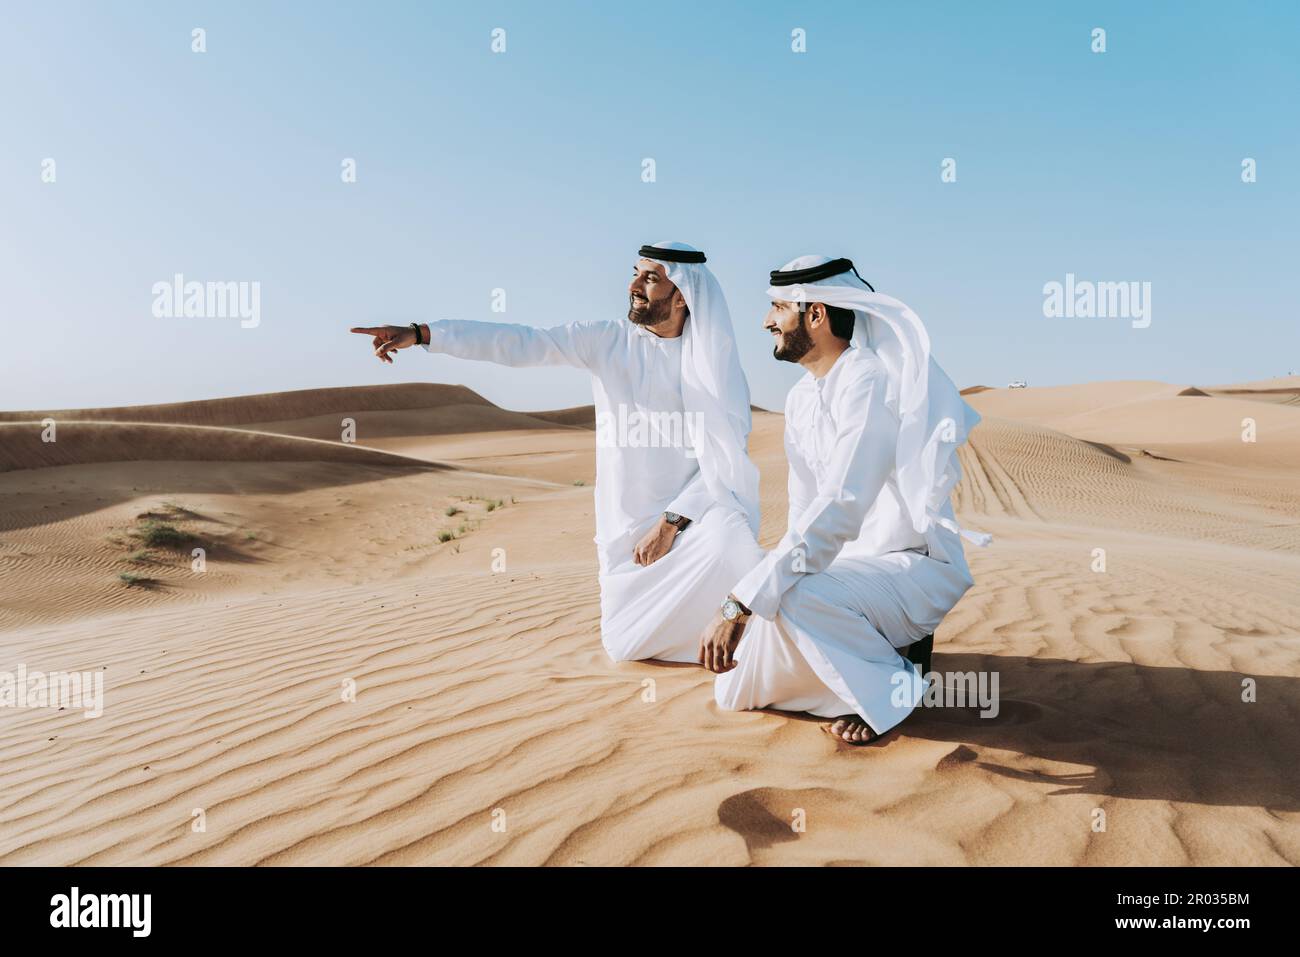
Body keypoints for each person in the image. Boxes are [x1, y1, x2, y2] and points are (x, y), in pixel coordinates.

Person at [351, 242, 762, 664]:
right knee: (626, 644)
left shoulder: (714, 362)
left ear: (682, 295)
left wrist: (673, 521)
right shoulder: (607, 340)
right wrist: (423, 334)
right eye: (636, 273)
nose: (633, 285)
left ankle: (754, 636)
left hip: (690, 521)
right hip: (626, 524)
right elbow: (521, 343)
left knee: (734, 541)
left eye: (650, 278)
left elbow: (727, 459)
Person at [696, 255, 991, 744]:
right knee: (739, 686)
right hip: (849, 572)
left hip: (908, 566)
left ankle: (897, 686)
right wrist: (760, 590)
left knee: (792, 596)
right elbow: (803, 508)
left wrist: (739, 604)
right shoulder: (801, 398)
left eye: (779, 308)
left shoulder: (869, 380)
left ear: (816, 315)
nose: (766, 321)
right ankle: (865, 669)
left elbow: (840, 504)